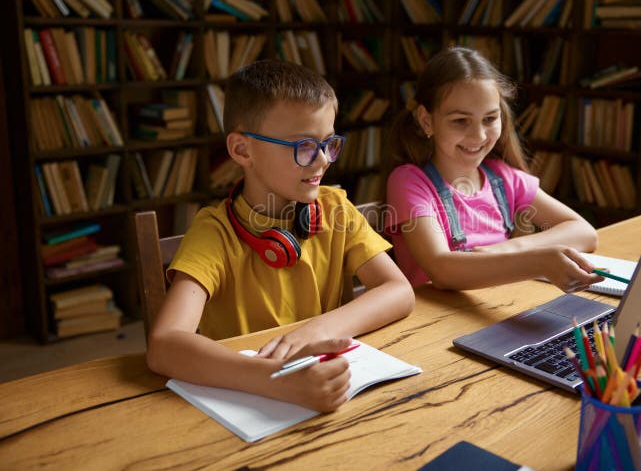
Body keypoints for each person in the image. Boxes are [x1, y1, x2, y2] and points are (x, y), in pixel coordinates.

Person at [146, 60, 415, 412]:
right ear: (242, 150)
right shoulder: (214, 232)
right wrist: (274, 379)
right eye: (303, 146)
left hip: (318, 389)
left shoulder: (335, 208)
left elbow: (399, 291)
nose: (321, 161)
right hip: (253, 399)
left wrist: (315, 331)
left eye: (328, 144)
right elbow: (164, 345)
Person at [385, 47, 601, 293]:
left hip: (498, 305)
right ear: (427, 121)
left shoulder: (503, 177)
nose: (478, 135)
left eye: (489, 119)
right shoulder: (408, 181)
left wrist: (507, 249)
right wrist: (537, 260)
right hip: (438, 323)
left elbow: (584, 232)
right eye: (460, 121)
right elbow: (442, 270)